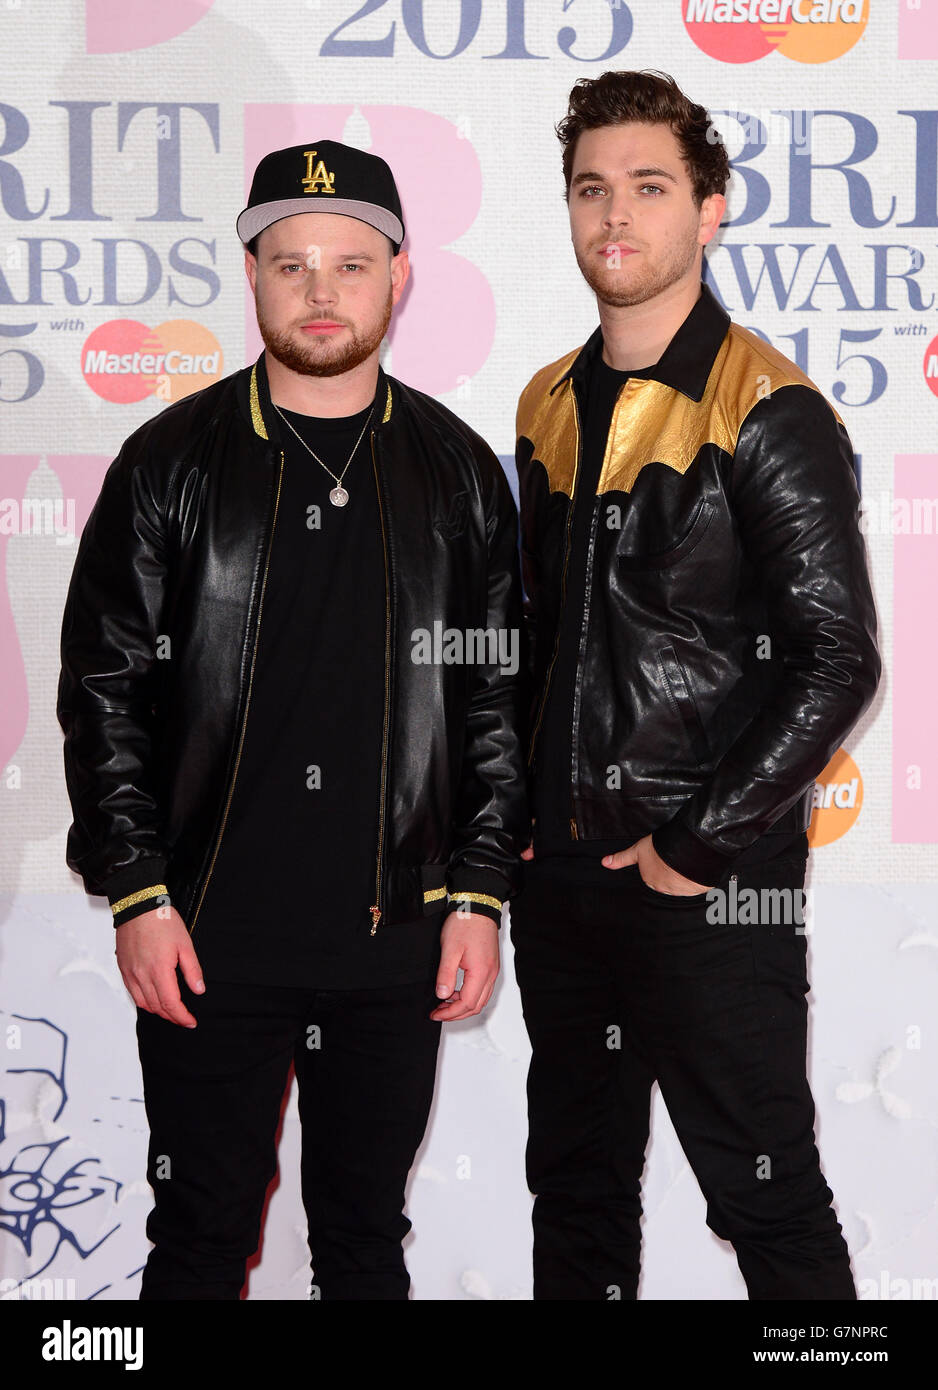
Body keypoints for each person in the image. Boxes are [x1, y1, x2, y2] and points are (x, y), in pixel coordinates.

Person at [57, 140, 526, 1301]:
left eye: (351, 265)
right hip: (208, 936)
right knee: (201, 1237)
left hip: (393, 940)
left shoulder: (458, 474)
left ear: (398, 278)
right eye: (292, 263)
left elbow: (493, 704)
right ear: (253, 275)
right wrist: (137, 890)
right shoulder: (168, 461)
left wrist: (476, 896)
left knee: (364, 1243)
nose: (322, 290)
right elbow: (105, 687)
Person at [511, 71, 880, 1300]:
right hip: (560, 883)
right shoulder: (546, 406)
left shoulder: (770, 408)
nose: (615, 215)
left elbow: (839, 656)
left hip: (710, 887)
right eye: (591, 188)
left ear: (710, 208)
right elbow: (536, 641)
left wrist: (696, 845)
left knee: (766, 1199)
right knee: (573, 1189)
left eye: (650, 188)